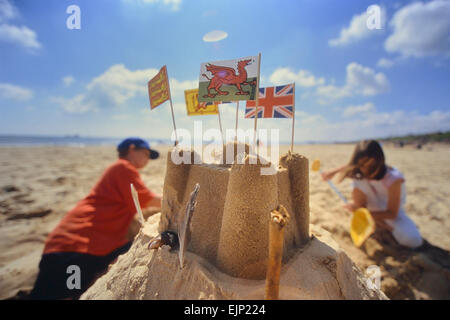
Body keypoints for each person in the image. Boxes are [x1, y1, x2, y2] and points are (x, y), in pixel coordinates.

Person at [30, 137, 162, 300]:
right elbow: (145, 199)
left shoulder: (120, 170)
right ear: (131, 149)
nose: (147, 159)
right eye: (145, 153)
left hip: (93, 245)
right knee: (62, 293)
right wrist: (174, 200)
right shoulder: (123, 167)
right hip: (74, 246)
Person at [321, 140, 423, 249]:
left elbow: (392, 213)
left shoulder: (394, 178)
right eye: (361, 165)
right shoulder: (360, 171)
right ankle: (370, 222)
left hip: (389, 212)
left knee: (413, 240)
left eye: (371, 166)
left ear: (380, 160)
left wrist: (363, 213)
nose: (366, 170)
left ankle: (378, 223)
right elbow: (350, 165)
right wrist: (333, 172)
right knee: (358, 177)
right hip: (369, 208)